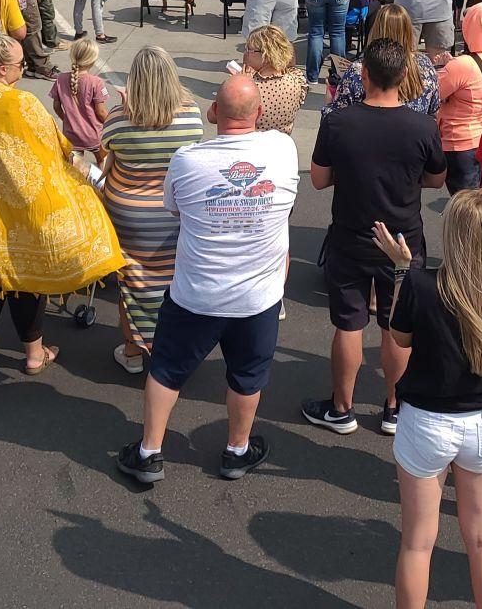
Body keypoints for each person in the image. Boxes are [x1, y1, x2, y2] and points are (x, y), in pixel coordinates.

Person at [115, 75, 298, 485]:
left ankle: (149, 452)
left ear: (214, 112)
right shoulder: (283, 150)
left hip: (196, 293)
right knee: (248, 376)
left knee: (165, 370)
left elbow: (175, 209)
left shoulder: (187, 159)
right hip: (258, 297)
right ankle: (236, 450)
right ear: (260, 114)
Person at [0, 17, 124, 374]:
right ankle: (35, 354)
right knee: (27, 277)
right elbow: (56, 147)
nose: (22, 69)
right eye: (19, 65)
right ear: (1, 68)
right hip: (23, 203)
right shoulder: (21, 103)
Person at [376, 188, 482, 609]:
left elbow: (399, 339)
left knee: (418, 544)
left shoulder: (423, 286)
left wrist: (402, 271)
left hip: (426, 422)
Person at [303, 37, 448, 436]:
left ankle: (341, 408)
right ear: (404, 77)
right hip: (404, 243)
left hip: (350, 236)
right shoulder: (422, 126)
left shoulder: (337, 121)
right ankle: (394, 407)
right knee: (395, 325)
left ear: (363, 74)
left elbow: (317, 180)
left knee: (349, 325)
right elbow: (437, 178)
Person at [98, 46, 207, 371]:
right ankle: (174, 345)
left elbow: (106, 154)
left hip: (128, 215)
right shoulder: (191, 115)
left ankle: (133, 350)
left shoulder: (119, 118)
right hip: (174, 213)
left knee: (131, 281)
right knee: (174, 280)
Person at [436, 2, 482, 192]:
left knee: (466, 206)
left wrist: (444, 67)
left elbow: (433, 92)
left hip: (460, 143)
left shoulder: (463, 65)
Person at [324, 3, 442, 117]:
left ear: (376, 28)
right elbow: (434, 109)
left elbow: (338, 118)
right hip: (414, 133)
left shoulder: (360, 69)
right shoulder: (425, 65)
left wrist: (329, 100)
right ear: (408, 30)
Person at [239, 24, 308, 131]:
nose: (246, 53)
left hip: (253, 144)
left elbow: (216, 116)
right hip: (282, 143)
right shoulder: (297, 80)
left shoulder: (247, 89)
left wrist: (240, 82)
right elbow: (291, 63)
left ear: (265, 56)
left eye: (249, 50)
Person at [50, 36, 109, 160]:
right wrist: (110, 123)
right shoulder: (96, 82)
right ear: (93, 60)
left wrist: (66, 119)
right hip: (93, 134)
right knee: (101, 160)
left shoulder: (60, 79)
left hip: (72, 134)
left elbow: (56, 106)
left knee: (76, 167)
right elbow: (101, 111)